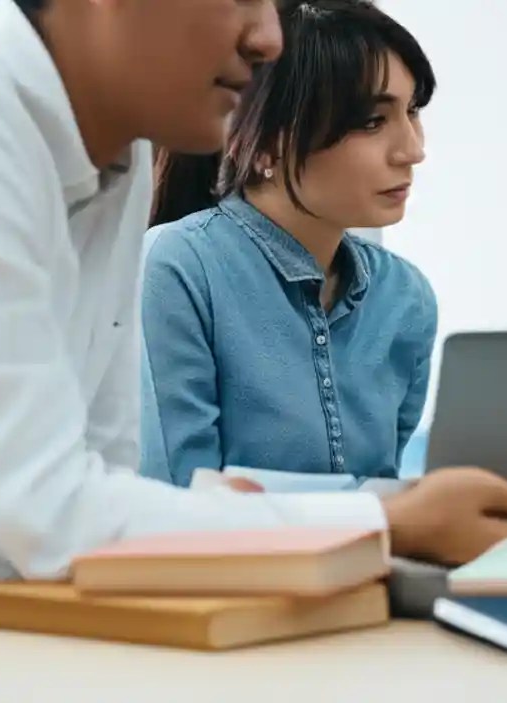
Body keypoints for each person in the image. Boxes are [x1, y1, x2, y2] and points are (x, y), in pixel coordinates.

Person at [0, 0, 507, 582]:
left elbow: (104, 490)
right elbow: (49, 513)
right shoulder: (169, 250)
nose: (268, 38)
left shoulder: (119, 163)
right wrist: (388, 521)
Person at [138, 0, 436, 491]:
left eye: (412, 112)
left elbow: (383, 490)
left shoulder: (406, 296)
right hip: (215, 568)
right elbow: (182, 497)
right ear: (268, 143)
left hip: (357, 568)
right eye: (371, 121)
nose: (413, 150)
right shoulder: (178, 266)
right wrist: (386, 509)